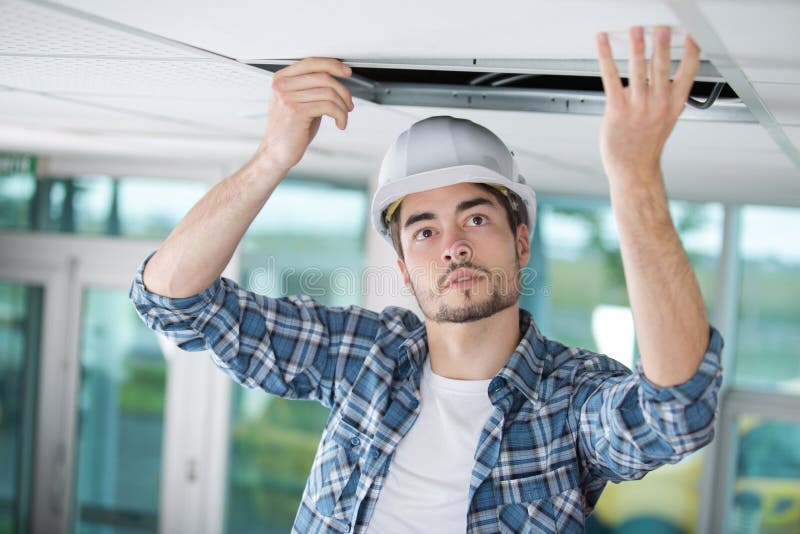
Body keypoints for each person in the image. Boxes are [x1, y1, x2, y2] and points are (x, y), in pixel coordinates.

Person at [130, 26, 723, 533]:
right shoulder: (362, 357)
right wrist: (271, 156)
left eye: (477, 217)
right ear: (404, 271)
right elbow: (173, 300)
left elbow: (674, 412)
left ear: (522, 243)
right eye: (424, 231)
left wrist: (634, 175)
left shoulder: (568, 399)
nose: (454, 246)